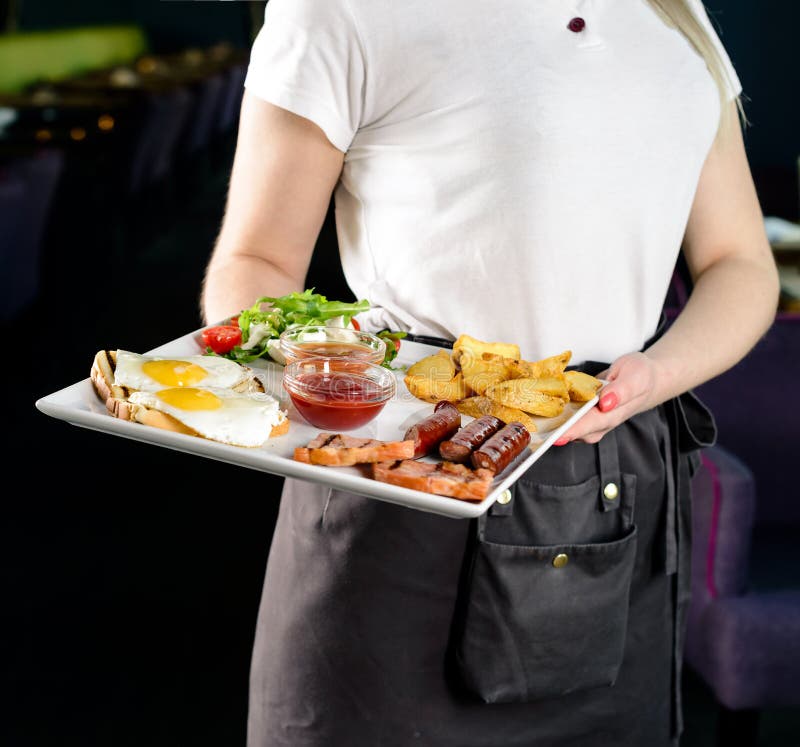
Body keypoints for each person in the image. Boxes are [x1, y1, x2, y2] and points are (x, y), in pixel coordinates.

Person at [202, 0, 779, 744]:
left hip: (618, 494)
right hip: (403, 492)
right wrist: (325, 384)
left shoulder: (675, 10)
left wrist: (654, 374)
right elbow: (257, 262)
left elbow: (740, 262)